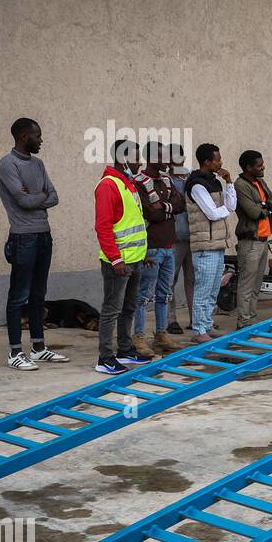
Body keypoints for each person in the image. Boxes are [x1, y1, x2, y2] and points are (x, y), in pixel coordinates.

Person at [0, 117, 68, 370]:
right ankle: (15, 352)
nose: (41, 140)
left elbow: (54, 196)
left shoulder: (38, 164)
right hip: (23, 237)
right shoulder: (8, 164)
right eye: (37, 136)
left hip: (43, 235)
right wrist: (39, 197)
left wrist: (33, 196)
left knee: (39, 295)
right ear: (24, 136)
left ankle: (38, 348)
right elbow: (23, 203)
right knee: (19, 296)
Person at [94, 139, 151, 374]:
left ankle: (125, 350)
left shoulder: (128, 184)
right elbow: (103, 227)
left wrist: (143, 254)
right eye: (136, 158)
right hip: (118, 262)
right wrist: (116, 259)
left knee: (128, 307)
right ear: (123, 159)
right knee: (111, 310)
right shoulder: (108, 185)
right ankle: (105, 358)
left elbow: (133, 223)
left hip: (134, 259)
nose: (140, 163)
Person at [132, 141, 187, 355]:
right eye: (163, 157)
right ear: (152, 158)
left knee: (164, 293)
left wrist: (164, 207)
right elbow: (150, 213)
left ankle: (161, 334)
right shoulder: (139, 181)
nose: (168, 160)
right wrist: (168, 209)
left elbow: (180, 205)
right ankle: (139, 336)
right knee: (144, 294)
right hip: (151, 247)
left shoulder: (166, 179)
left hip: (168, 245)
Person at [185, 143, 236, 342]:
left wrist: (229, 182)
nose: (221, 162)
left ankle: (207, 325)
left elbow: (231, 204)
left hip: (217, 243)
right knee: (203, 288)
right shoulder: (197, 185)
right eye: (217, 159)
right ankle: (199, 330)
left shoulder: (214, 182)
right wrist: (226, 209)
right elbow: (212, 213)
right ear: (207, 162)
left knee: (214, 288)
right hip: (204, 244)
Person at [234, 149, 272, 329]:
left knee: (256, 286)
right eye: (259, 165)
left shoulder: (259, 182)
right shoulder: (241, 185)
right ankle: (243, 322)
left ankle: (251, 320)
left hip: (263, 240)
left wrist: (264, 205)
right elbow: (253, 212)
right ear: (248, 168)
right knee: (246, 285)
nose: (263, 167)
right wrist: (267, 207)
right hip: (250, 242)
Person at [166, 145, 194, 335]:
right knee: (170, 280)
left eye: (180, 157)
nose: (178, 161)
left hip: (194, 237)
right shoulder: (165, 181)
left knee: (194, 279)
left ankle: (197, 319)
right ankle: (171, 319)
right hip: (174, 237)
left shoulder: (192, 179)